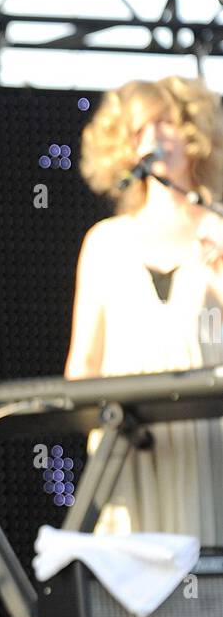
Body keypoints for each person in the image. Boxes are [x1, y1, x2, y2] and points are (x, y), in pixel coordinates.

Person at [64, 76, 223, 541]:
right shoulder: (105, 242)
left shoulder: (219, 230)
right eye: (138, 131)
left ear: (194, 131)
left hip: (207, 441)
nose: (153, 139)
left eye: (164, 123)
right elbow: (83, 366)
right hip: (127, 446)